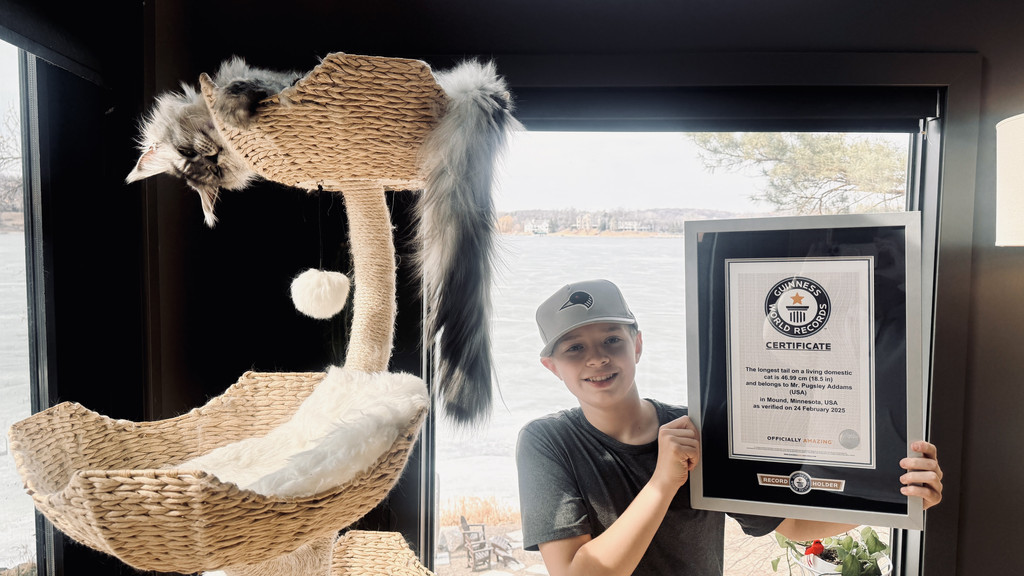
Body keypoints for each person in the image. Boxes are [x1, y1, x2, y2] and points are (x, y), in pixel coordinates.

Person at [515, 279, 943, 576]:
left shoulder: (700, 427)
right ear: (551, 367)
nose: (597, 358)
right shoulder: (546, 442)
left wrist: (896, 499)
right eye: (575, 349)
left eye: (612, 339)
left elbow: (790, 524)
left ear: (637, 345)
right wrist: (664, 482)